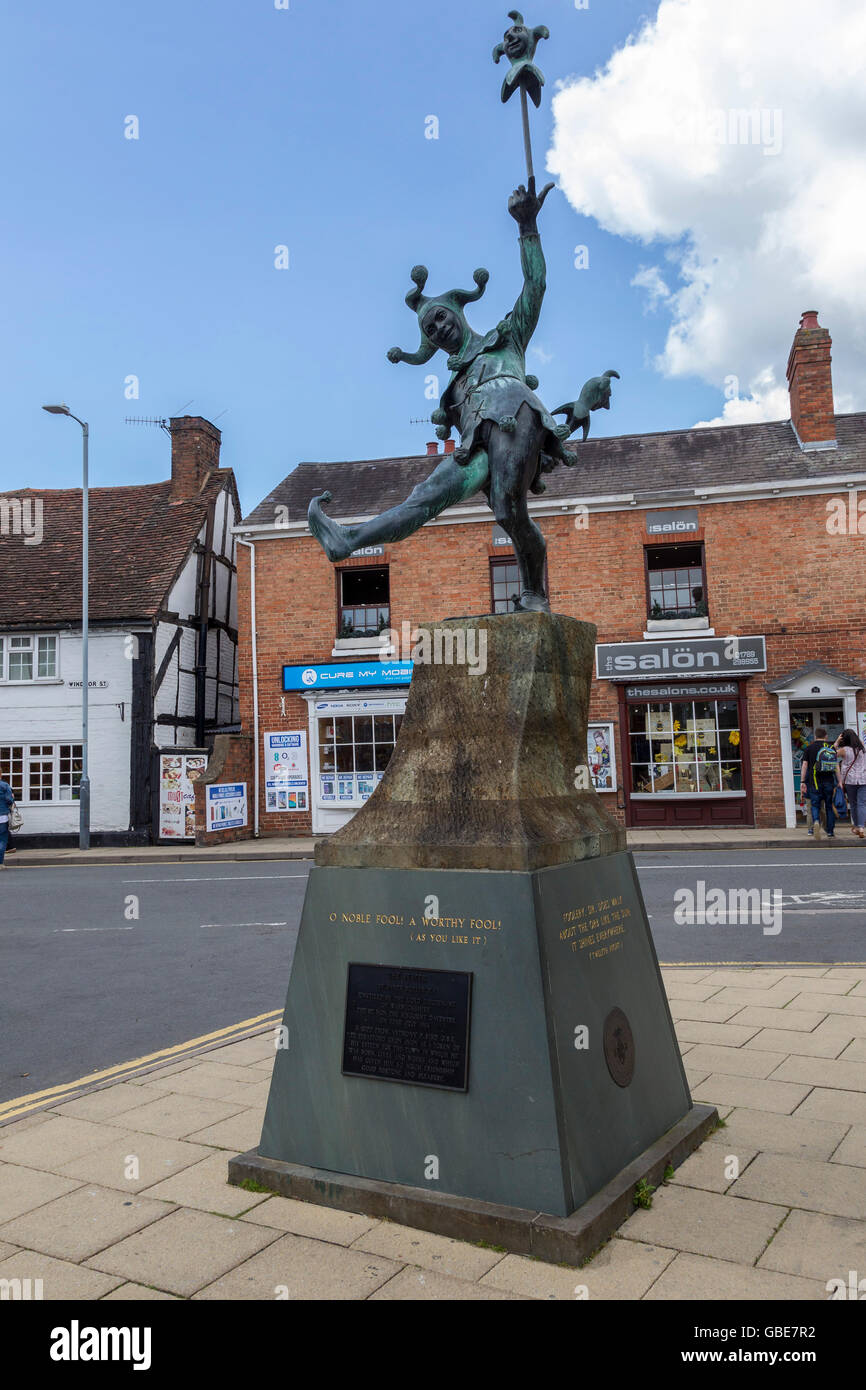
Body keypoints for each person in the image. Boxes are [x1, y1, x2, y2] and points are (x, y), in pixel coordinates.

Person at [800, 726, 838, 840]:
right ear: (826, 736)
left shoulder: (809, 748)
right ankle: (830, 832)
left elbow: (805, 765)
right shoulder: (831, 748)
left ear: (815, 736)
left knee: (815, 806)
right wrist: (839, 781)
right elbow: (836, 767)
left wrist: (802, 781)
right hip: (828, 782)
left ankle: (816, 821)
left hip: (814, 782)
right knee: (829, 807)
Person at [834, 729, 866, 840]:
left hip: (850, 780)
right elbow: (860, 743)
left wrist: (837, 742)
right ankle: (862, 828)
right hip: (863, 779)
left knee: (853, 804)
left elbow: (830, 755)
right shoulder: (862, 749)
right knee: (862, 804)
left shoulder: (844, 750)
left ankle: (857, 826)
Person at [0, 776, 15, 869]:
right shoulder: (4, 785)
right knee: (2, 840)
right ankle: (0, 863)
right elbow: (9, 800)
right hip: (2, 816)